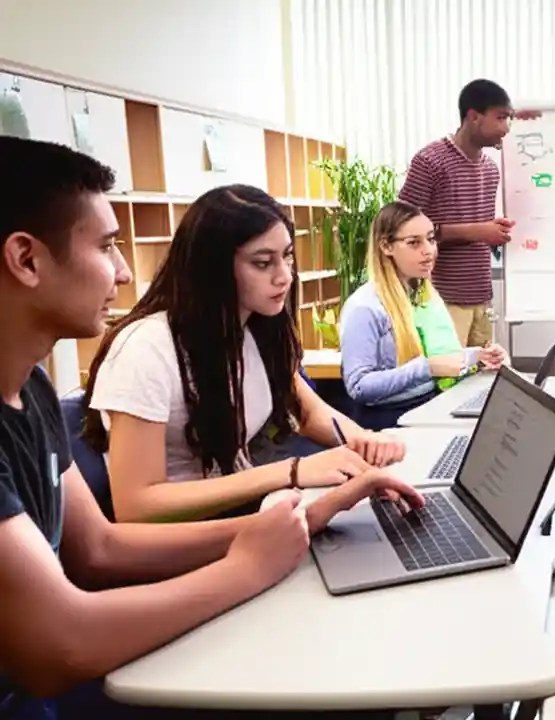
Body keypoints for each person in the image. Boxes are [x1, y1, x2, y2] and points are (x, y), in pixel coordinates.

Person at [0, 137, 423, 718]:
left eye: (286, 258)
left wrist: (307, 514)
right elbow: (63, 643)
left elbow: (97, 548)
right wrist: (253, 552)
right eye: (106, 247)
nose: (124, 274)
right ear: (25, 259)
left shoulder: (32, 390)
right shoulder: (148, 348)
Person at [82, 184, 407, 524]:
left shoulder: (255, 327)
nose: (284, 276)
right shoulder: (146, 349)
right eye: (263, 262)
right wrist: (293, 471)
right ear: (214, 268)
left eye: (288, 256)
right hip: (188, 541)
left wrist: (365, 444)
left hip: (244, 517)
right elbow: (137, 507)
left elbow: (306, 412)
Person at [398, 78, 538, 347]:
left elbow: (478, 231)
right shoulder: (430, 162)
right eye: (500, 118)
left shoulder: (490, 169)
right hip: (441, 299)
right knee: (446, 383)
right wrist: (478, 230)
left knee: (481, 381)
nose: (506, 128)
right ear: (473, 116)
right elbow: (400, 228)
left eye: (509, 118)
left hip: (481, 298)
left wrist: (494, 231)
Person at [339, 202, 507, 418]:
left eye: (430, 239)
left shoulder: (421, 294)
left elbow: (437, 360)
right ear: (386, 247)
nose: (428, 251)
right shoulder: (364, 307)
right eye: (413, 243)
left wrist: (478, 356)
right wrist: (427, 368)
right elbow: (359, 386)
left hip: (428, 403)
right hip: (389, 419)